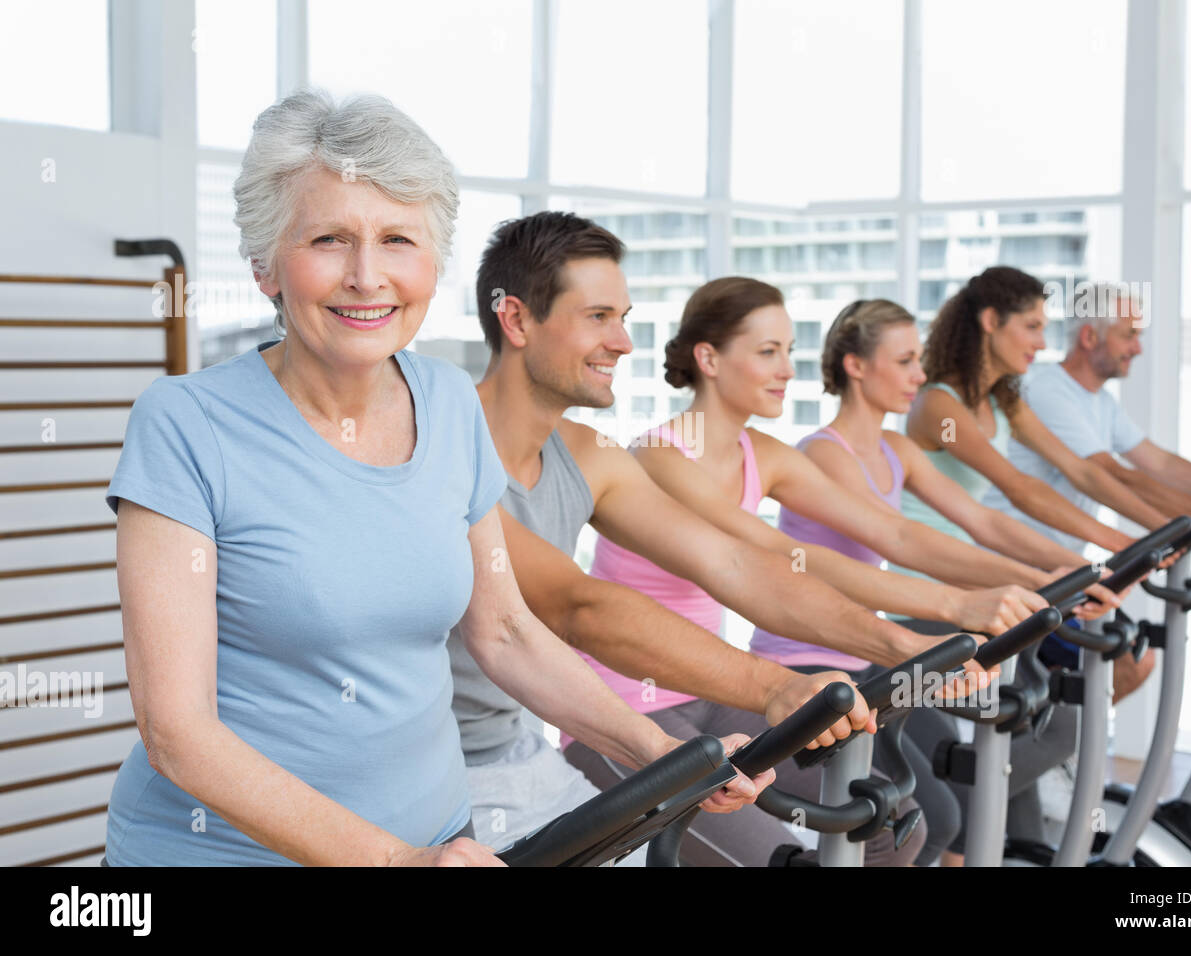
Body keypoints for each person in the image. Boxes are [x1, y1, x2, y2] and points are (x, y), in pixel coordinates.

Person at [101, 91, 763, 867]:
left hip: (443, 840)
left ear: (433, 264)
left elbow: (505, 632)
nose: (366, 276)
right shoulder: (186, 425)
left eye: (397, 240)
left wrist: (661, 755)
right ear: (264, 265)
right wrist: (394, 862)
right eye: (328, 239)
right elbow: (177, 732)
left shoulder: (447, 401)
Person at [458, 213, 998, 866]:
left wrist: (908, 645)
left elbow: (735, 563)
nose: (623, 342)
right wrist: (774, 684)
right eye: (598, 316)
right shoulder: (449, 445)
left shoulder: (591, 454)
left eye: (623, 318)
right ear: (516, 320)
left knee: (894, 824)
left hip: (543, 735)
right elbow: (579, 607)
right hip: (501, 745)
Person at [746, 297, 1126, 863]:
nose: (919, 376)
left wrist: (1064, 570)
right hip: (807, 662)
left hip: (867, 657)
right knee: (935, 816)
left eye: (919, 361)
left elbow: (982, 521)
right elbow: (900, 539)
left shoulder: (896, 448)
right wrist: (1023, 580)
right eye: (904, 362)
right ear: (856, 366)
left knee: (951, 806)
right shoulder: (824, 453)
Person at [984, 281, 1191, 693]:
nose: (1138, 348)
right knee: (1127, 662)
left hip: (1059, 568)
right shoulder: (1048, 391)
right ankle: (1040, 731)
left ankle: (1045, 730)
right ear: (1089, 337)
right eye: (1129, 335)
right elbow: (1108, 474)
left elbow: (1159, 463)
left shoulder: (1100, 402)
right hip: (1015, 565)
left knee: (1127, 660)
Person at [902, 267, 1182, 574]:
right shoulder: (941, 413)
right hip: (927, 577)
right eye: (1032, 327)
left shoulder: (1003, 404)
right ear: (991, 321)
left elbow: (1080, 471)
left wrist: (1163, 529)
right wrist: (1121, 543)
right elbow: (1018, 487)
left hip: (967, 571)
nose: (1042, 343)